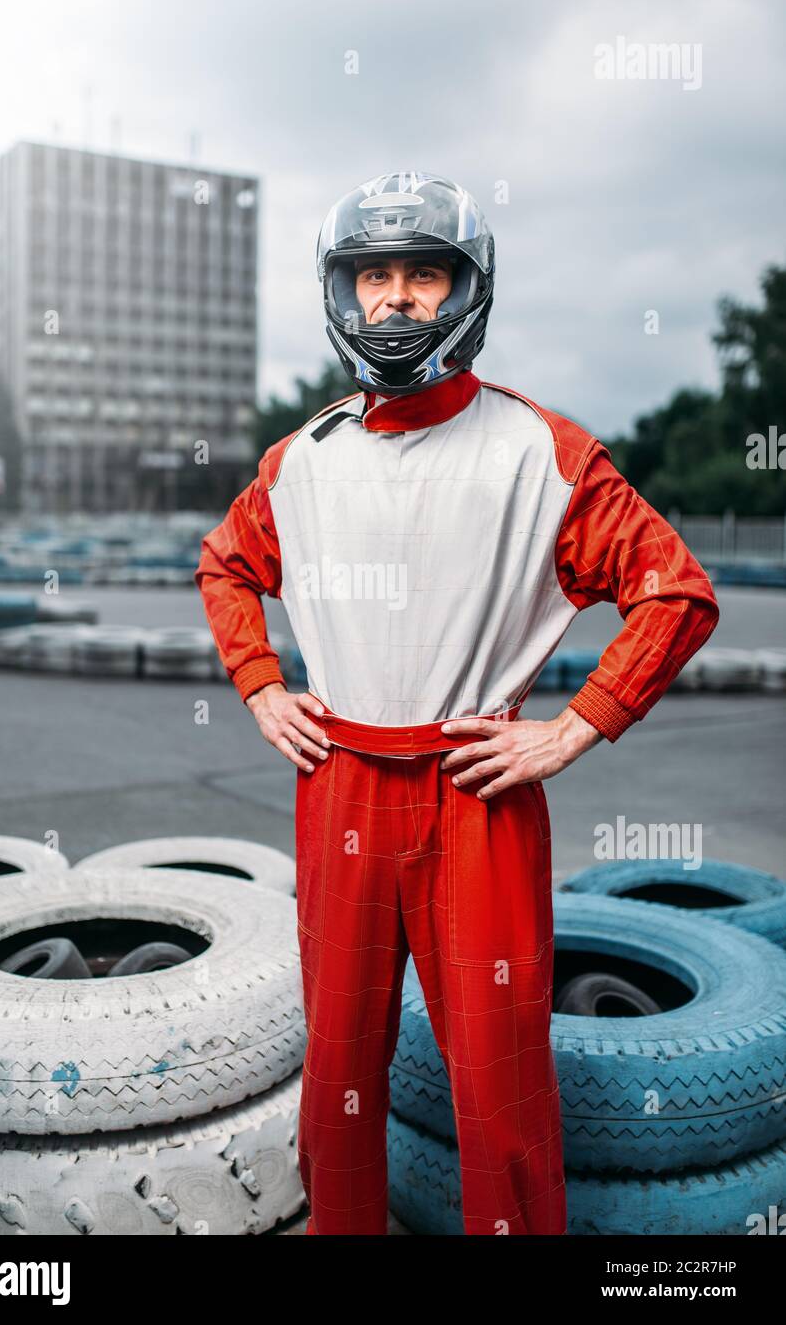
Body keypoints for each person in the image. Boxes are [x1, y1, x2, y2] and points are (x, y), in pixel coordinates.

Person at [193, 170, 719, 1235]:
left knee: (501, 1091)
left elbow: (677, 591)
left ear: (466, 289)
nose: (395, 299)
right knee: (338, 1076)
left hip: (475, 788)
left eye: (423, 275)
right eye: (373, 276)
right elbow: (223, 564)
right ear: (343, 294)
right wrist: (257, 683)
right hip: (336, 782)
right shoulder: (300, 461)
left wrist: (574, 727)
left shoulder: (545, 454)